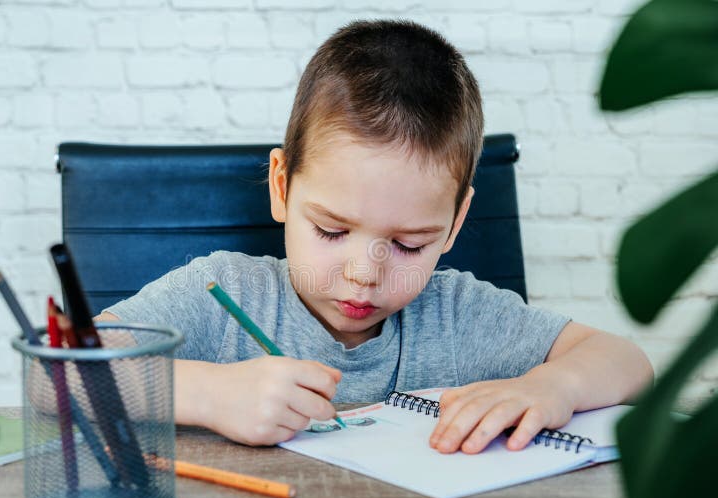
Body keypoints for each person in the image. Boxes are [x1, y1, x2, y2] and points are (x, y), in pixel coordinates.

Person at [98, 20, 653, 455]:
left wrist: (551, 389)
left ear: (456, 223)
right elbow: (61, 369)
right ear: (282, 186)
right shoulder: (221, 293)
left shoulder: (457, 315)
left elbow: (627, 362)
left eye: (410, 245)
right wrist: (206, 395)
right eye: (332, 230)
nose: (365, 272)